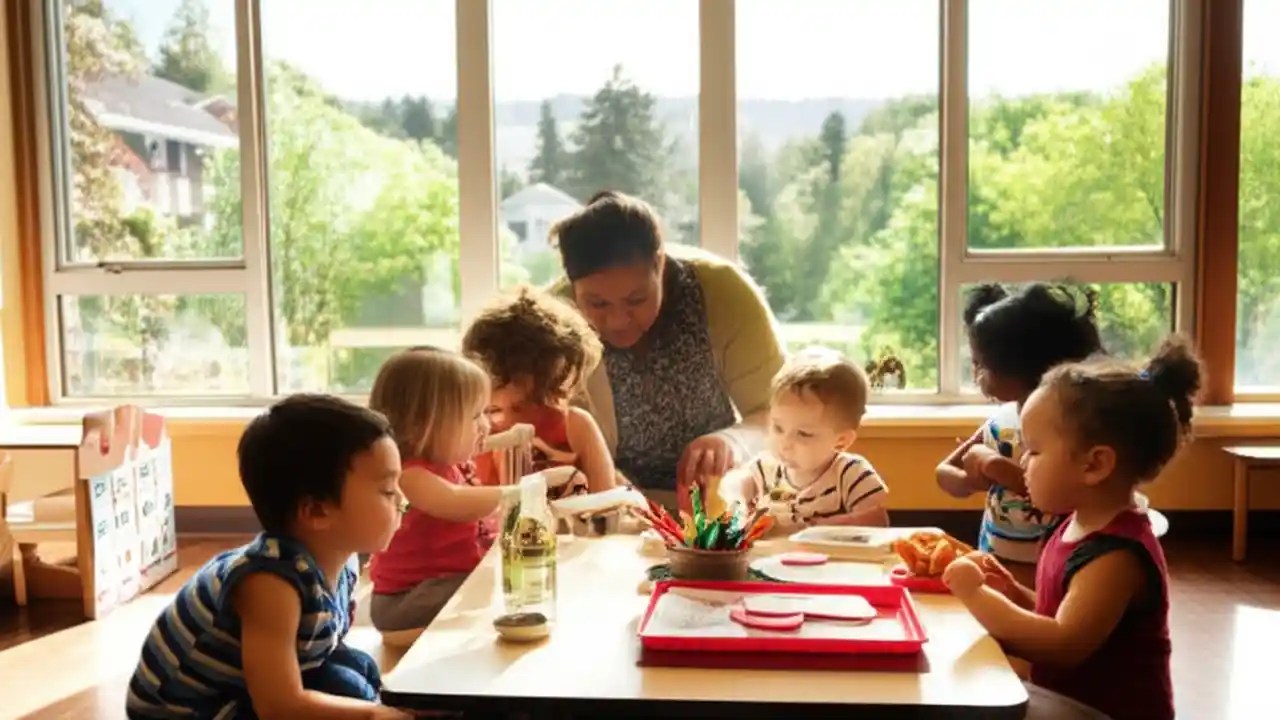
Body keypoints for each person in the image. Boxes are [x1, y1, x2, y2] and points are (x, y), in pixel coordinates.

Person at [943, 336, 1197, 720]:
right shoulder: (1071, 524)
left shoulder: (1115, 555)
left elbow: (1063, 644)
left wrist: (975, 595)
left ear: (1094, 465)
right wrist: (1011, 593)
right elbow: (1057, 613)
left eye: (1035, 450)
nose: (1024, 463)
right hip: (1068, 703)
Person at [126, 395, 410, 720]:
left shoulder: (339, 560)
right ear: (316, 510)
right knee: (348, 693)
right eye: (388, 490)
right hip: (190, 711)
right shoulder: (270, 585)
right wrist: (372, 715)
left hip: (240, 687)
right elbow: (278, 706)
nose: (403, 500)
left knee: (357, 669)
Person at [550, 190, 786, 510]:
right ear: (571, 284)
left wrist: (732, 441)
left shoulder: (724, 293)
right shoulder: (555, 318)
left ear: (659, 263)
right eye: (597, 303)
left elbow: (777, 411)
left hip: (721, 504)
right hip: (609, 507)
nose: (618, 321)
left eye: (637, 300)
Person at [935, 283, 1102, 585]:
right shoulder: (1003, 422)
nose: (977, 376)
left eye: (982, 365)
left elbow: (1061, 496)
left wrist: (996, 467)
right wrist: (969, 480)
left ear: (1021, 367)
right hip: (995, 551)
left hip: (1051, 563)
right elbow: (944, 472)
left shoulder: (1069, 429)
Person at [367, 347, 518, 635]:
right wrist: (522, 491)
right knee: (490, 587)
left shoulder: (447, 462)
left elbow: (481, 446)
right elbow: (456, 501)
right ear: (421, 425)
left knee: (494, 579)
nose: (486, 425)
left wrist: (511, 439)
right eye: (475, 417)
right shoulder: (410, 476)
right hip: (407, 600)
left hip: (441, 583)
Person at [462, 286, 615, 498]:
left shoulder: (575, 427)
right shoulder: (469, 431)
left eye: (526, 405)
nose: (509, 422)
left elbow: (606, 501)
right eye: (492, 410)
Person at [719, 348, 889, 531]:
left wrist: (821, 528)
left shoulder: (850, 475)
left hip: (831, 559)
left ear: (841, 441)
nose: (785, 444)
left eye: (803, 434)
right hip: (770, 559)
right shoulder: (766, 469)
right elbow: (734, 481)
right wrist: (738, 505)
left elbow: (877, 520)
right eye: (778, 428)